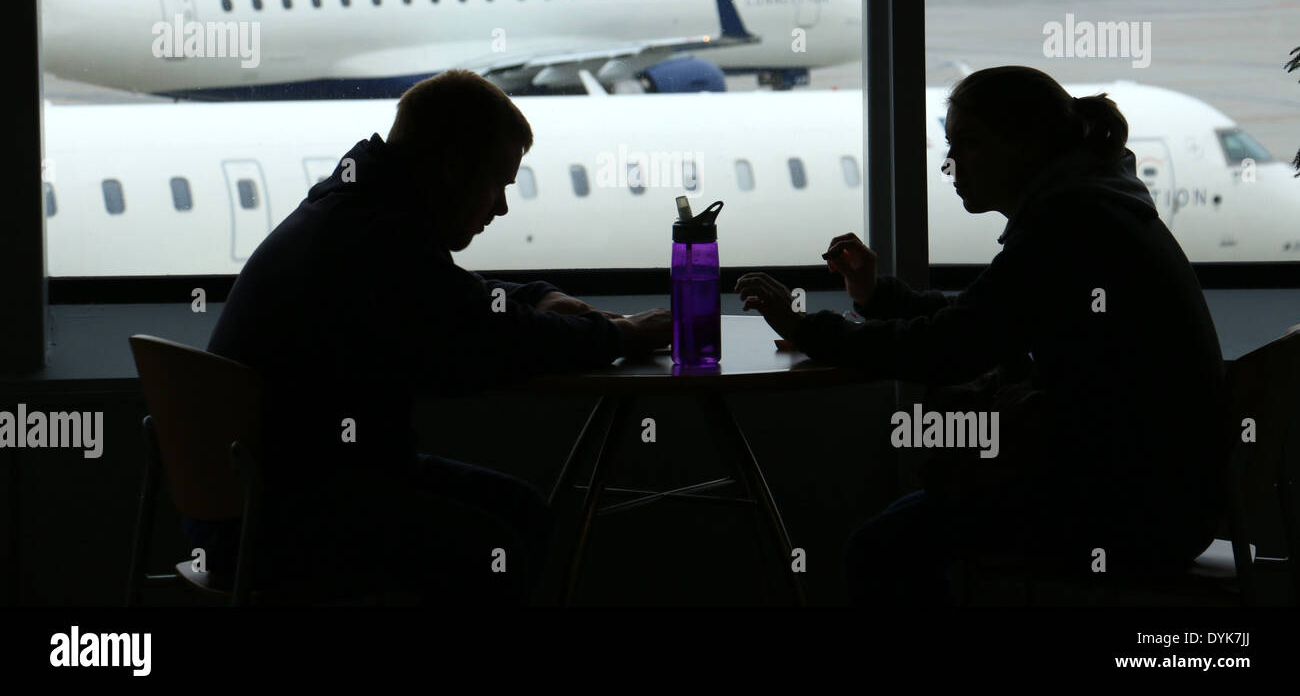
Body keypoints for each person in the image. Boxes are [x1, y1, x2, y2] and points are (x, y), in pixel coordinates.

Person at [736, 66, 1228, 605]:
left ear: (1027, 146)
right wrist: (877, 299)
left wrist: (808, 328)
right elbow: (984, 323)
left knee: (881, 550)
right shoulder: (1095, 209)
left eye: (967, 144)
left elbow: (951, 348)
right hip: (1166, 499)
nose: (951, 164)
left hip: (1129, 510)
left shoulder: (1067, 227)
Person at [183, 70, 671, 604]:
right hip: (285, 518)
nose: (502, 207)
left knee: (520, 517)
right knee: (498, 543)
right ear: (452, 168)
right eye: (497, 183)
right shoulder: (377, 234)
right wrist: (620, 335)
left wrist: (533, 298)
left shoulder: (355, 210)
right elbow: (484, 340)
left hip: (263, 499)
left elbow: (447, 299)